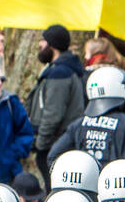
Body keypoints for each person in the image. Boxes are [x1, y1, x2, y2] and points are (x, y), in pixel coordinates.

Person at [46, 65, 125, 172]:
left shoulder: (78, 125)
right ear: (122, 92)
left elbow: (53, 157)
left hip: (87, 192)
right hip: (120, 191)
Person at [22, 28, 87, 177]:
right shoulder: (58, 69)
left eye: (43, 40)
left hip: (54, 144)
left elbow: (53, 113)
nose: (39, 44)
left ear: (53, 45)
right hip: (56, 142)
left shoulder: (60, 73)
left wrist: (41, 145)